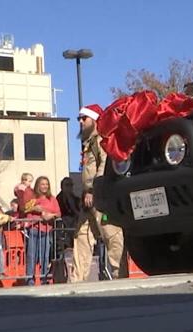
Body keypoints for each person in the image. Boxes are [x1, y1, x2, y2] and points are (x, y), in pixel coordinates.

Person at [71, 104, 127, 283]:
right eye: (79, 118)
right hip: (89, 200)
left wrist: (93, 190)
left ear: (94, 120)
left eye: (84, 118)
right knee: (81, 238)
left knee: (111, 235)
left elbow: (103, 166)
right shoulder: (88, 144)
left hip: (100, 197)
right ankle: (76, 280)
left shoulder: (100, 141)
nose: (80, 121)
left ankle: (120, 276)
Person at [18, 176, 60, 285]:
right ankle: (30, 280)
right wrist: (35, 208)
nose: (45, 186)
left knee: (45, 256)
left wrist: (51, 216)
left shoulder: (52, 198)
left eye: (46, 184)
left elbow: (58, 213)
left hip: (47, 230)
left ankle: (43, 279)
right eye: (42, 184)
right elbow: (23, 208)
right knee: (31, 256)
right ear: (38, 185)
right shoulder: (33, 197)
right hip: (34, 228)